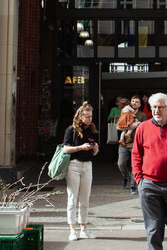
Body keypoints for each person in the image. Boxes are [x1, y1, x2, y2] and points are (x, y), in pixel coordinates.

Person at [132, 92, 167, 250]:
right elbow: (136, 155)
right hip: (150, 185)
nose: (157, 110)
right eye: (154, 107)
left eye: (160, 107)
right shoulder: (143, 128)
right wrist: (139, 180)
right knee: (153, 229)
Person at [62, 102, 99, 240]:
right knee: (72, 197)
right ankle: (72, 230)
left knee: (85, 198)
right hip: (74, 165)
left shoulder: (92, 130)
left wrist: (95, 148)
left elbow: (95, 152)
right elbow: (65, 149)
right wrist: (81, 148)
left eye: (91, 116)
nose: (89, 119)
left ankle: (84, 228)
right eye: (87, 116)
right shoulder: (71, 130)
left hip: (87, 165)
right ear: (80, 116)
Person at [116, 99, 139, 193]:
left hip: (136, 143)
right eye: (133, 101)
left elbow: (145, 126)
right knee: (120, 163)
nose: (134, 103)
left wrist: (137, 124)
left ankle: (133, 185)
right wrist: (130, 127)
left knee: (134, 165)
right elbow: (118, 126)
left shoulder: (141, 115)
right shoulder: (125, 112)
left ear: (140, 104)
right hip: (124, 144)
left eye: (137, 102)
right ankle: (126, 176)